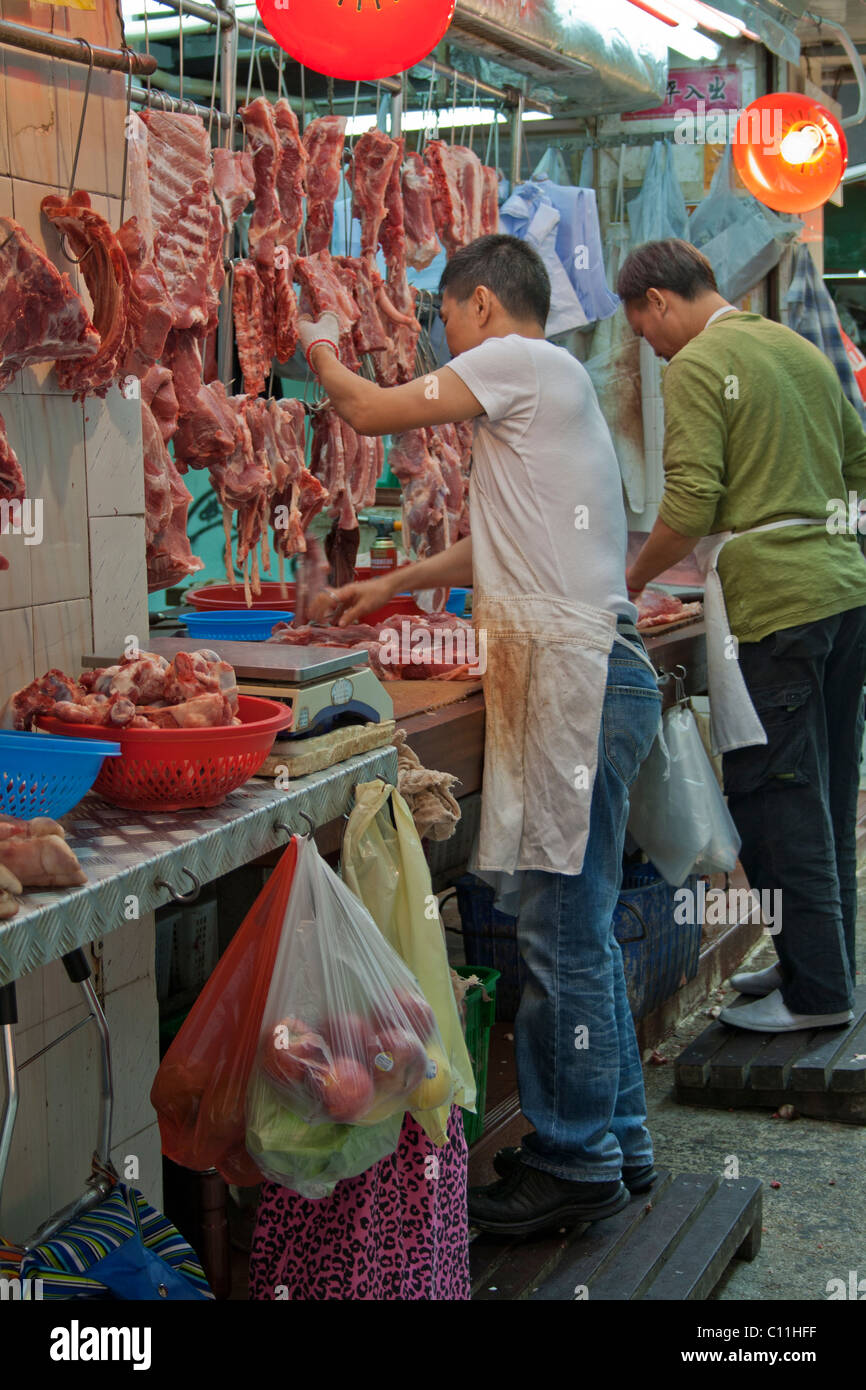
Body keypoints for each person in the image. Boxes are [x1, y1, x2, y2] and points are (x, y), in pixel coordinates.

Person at [298, 234, 662, 1237]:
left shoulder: (516, 360)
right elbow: (485, 538)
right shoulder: (550, 387)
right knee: (573, 925)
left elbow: (368, 410)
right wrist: (391, 583)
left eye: (445, 319)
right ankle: (616, 1142)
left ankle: (570, 1158)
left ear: (484, 307)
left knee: (559, 932)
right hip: (590, 673)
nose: (443, 340)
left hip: (575, 679)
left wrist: (313, 336)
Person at [619, 237, 866, 1034]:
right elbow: (861, 465)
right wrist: (824, 533)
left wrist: (626, 578)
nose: (648, 350)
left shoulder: (699, 363)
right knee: (822, 789)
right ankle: (818, 968)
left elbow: (690, 505)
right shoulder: (791, 346)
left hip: (779, 603)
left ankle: (819, 997)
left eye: (641, 329)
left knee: (778, 800)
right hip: (842, 592)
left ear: (659, 301)